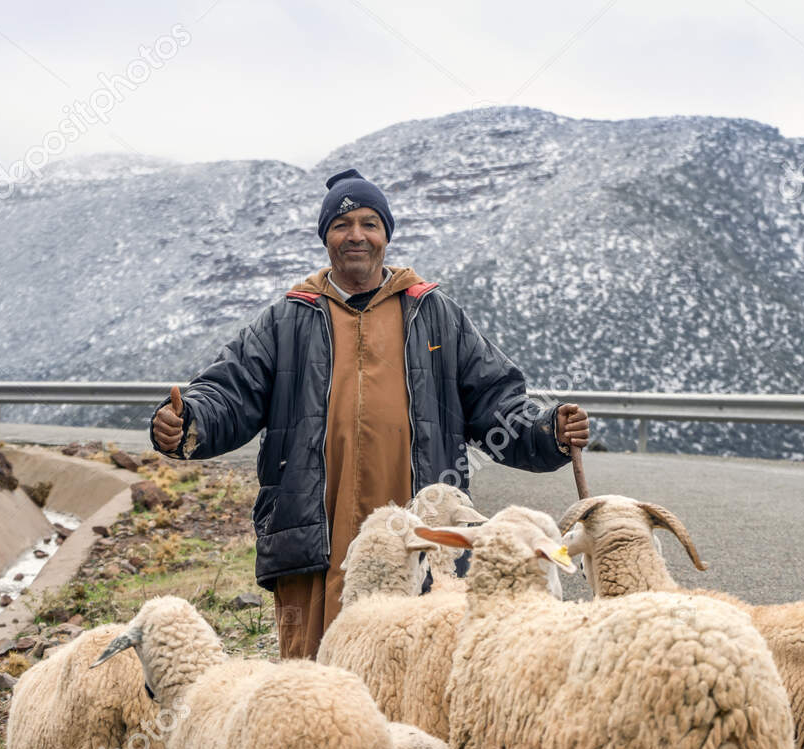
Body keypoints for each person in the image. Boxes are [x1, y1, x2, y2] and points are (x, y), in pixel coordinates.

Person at [151, 167, 589, 658]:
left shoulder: (434, 314)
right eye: (341, 225)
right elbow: (230, 392)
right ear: (326, 239)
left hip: (421, 536)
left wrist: (547, 431)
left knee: (417, 667)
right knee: (316, 680)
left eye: (368, 223)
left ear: (385, 236)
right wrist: (189, 423)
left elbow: (496, 401)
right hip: (314, 536)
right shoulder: (287, 319)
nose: (355, 234)